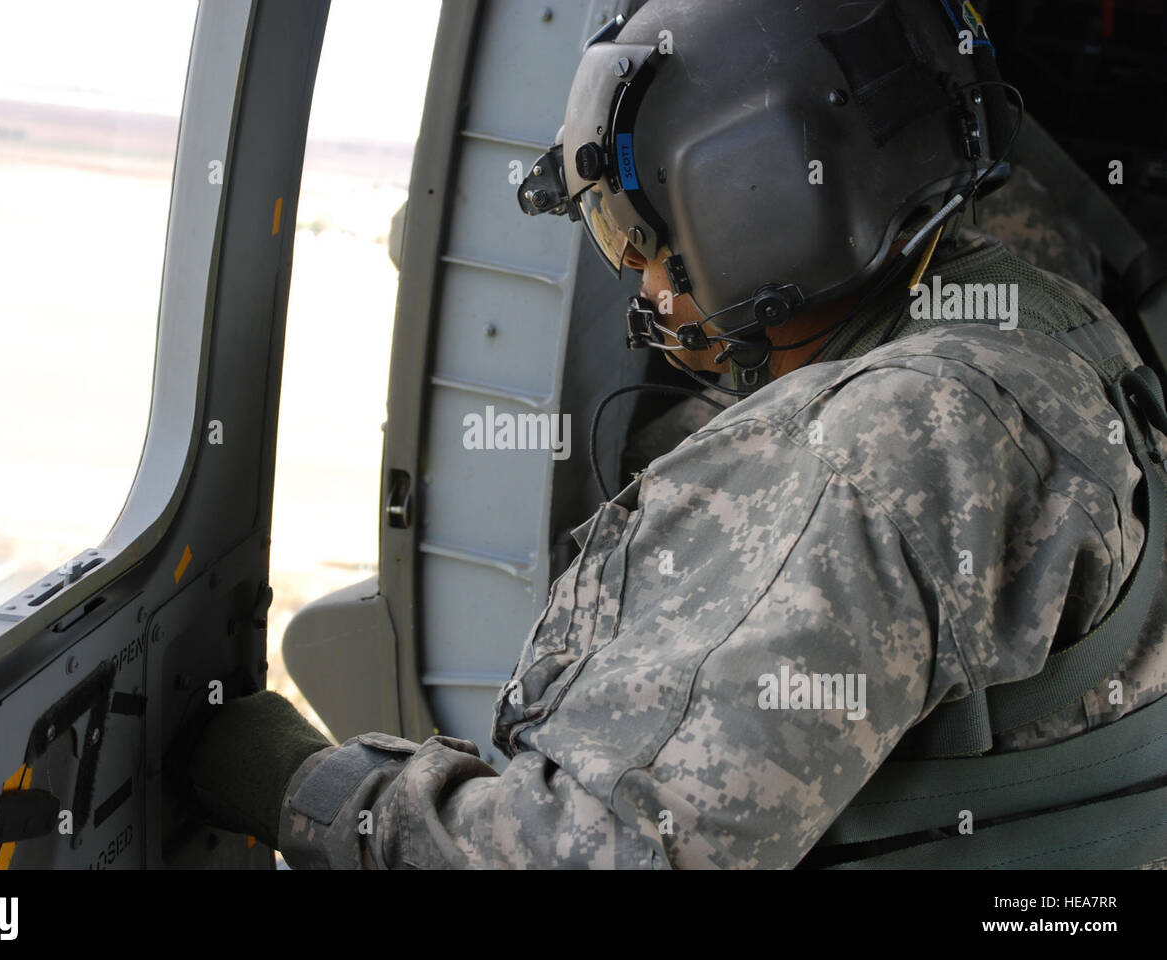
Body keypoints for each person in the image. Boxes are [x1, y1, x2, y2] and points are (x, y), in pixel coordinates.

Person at [185, 0, 1167, 869]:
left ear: (759, 205)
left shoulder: (862, 452)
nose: (642, 282)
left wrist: (298, 787)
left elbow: (592, 854)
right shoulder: (1033, 319)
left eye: (647, 237)